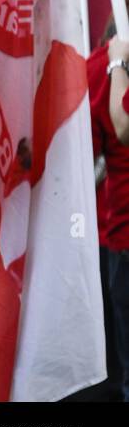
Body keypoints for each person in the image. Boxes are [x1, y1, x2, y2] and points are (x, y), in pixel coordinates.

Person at [87, 33, 129, 400]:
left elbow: (124, 125)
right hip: (113, 240)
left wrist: (117, 64)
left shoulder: (105, 64)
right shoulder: (99, 65)